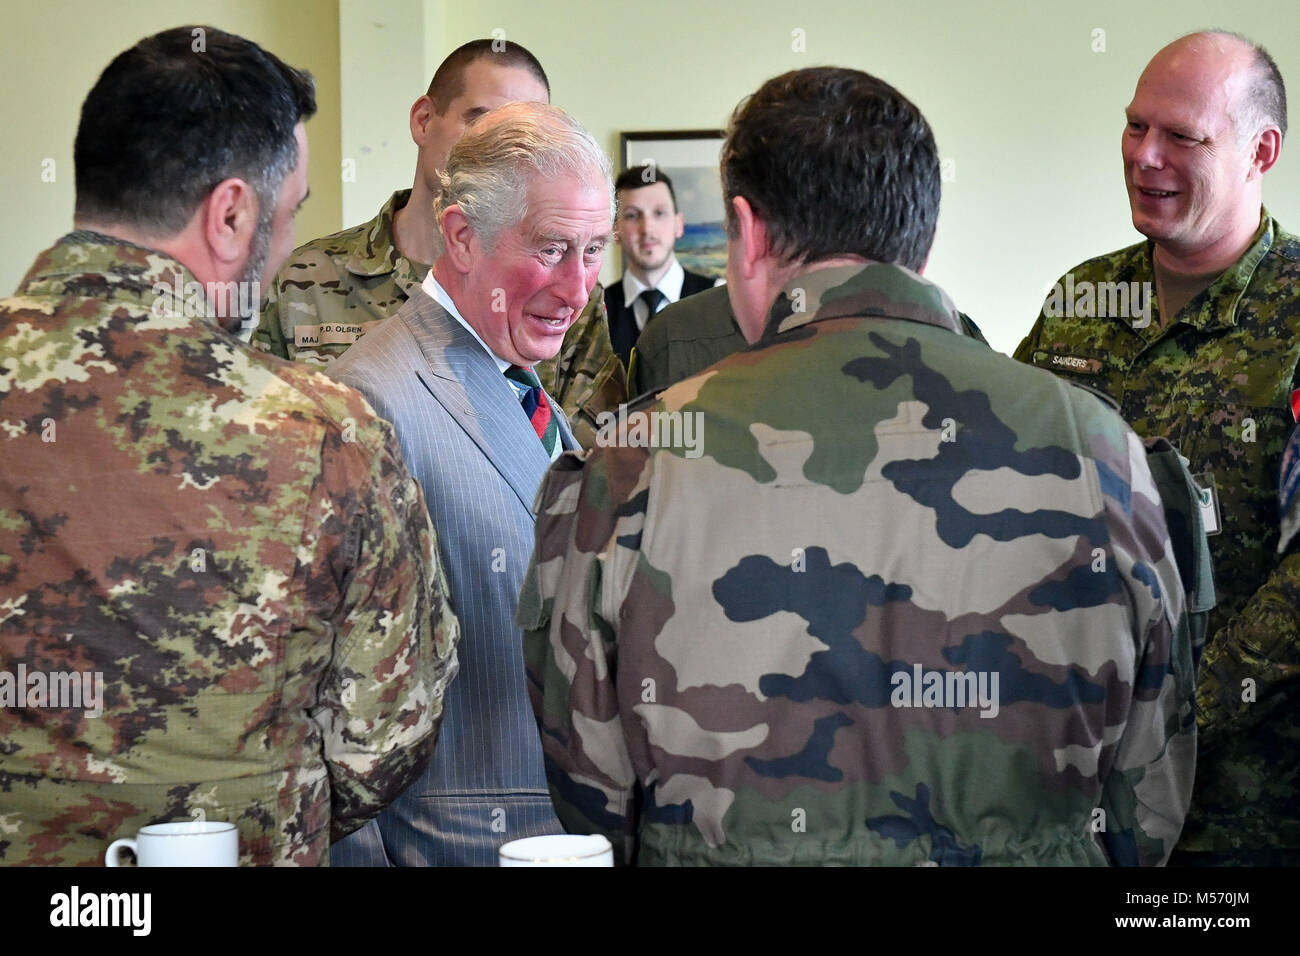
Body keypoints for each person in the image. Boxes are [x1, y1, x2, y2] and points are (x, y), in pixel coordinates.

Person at [518, 66, 1200, 866]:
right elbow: (1150, 806)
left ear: (750, 231)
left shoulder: (634, 458)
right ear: (923, 236)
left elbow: (591, 800)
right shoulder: (1100, 448)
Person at [0, 26, 459, 867]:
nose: (283, 249)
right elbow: (382, 742)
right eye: (287, 218)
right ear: (232, 214)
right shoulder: (331, 433)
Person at [1013, 30, 1298, 866]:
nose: (1145, 156)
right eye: (1136, 128)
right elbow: (1013, 483)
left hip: (1247, 800)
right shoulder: (1081, 301)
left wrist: (1174, 706)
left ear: (1261, 151)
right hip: (1079, 778)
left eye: (1182, 136)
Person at [328, 101, 612, 866]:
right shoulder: (372, 397)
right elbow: (336, 712)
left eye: (594, 251)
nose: (579, 288)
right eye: (552, 249)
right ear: (461, 236)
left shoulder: (523, 378)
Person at [250, 38, 623, 446]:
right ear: (424, 120)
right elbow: (268, 452)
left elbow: (588, 472)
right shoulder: (306, 277)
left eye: (527, 140)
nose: (501, 154)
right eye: (482, 123)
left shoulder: (566, 298)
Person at [605, 166, 721, 369]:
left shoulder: (718, 299)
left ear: (679, 224)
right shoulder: (596, 312)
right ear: (615, 230)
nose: (647, 228)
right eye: (632, 216)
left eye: (659, 213)